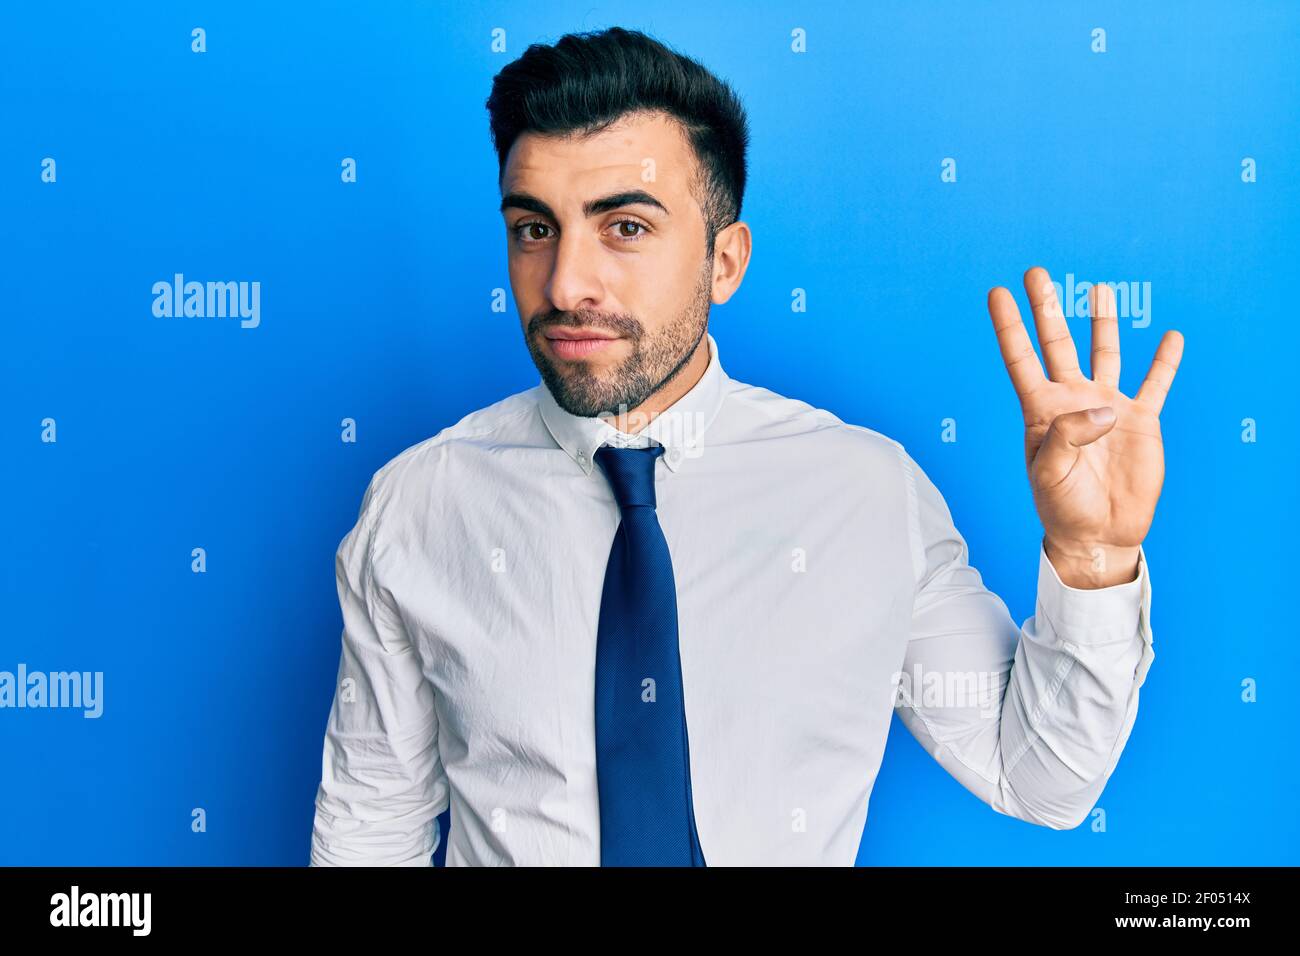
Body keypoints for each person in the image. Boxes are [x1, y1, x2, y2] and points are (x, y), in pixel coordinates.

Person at [309, 26, 1184, 866]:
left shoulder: (862, 491)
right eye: (535, 228)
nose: (567, 283)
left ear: (725, 262)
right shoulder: (420, 503)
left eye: (626, 227)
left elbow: (1041, 779)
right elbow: (369, 829)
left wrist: (1091, 558)